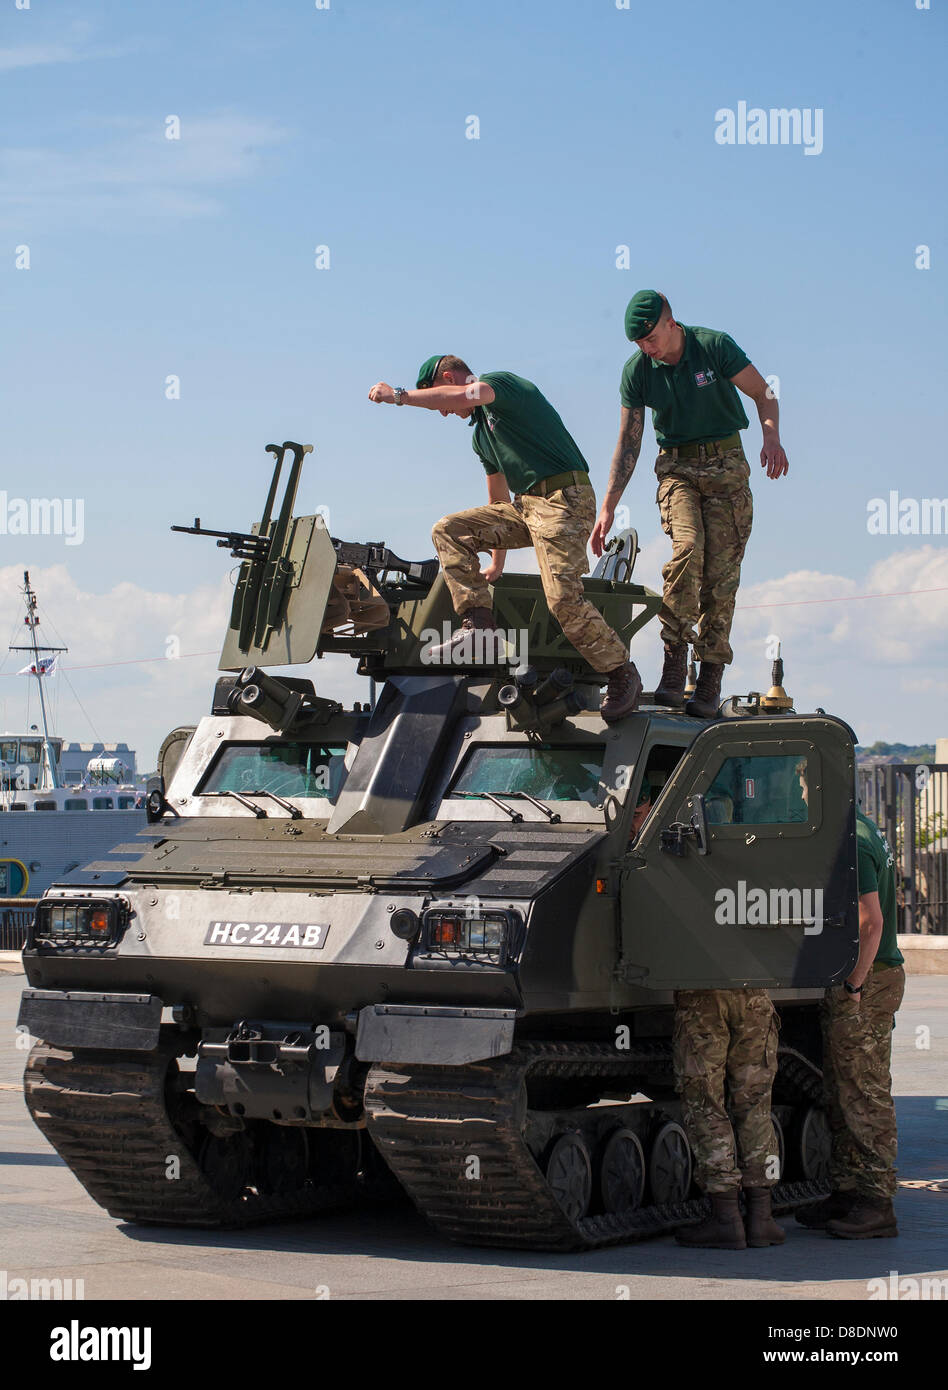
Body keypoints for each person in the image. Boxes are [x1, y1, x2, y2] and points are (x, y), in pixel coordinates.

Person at [368, 356, 643, 721]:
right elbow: (497, 502)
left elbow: (469, 393)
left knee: (562, 599)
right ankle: (479, 625)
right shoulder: (482, 437)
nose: (445, 414)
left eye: (441, 401)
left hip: (564, 500)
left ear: (447, 378)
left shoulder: (501, 386)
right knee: (449, 529)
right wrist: (496, 562)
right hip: (525, 507)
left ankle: (622, 673)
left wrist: (399, 396)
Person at [590, 290, 789, 718]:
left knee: (722, 575)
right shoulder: (638, 371)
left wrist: (770, 436)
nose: (648, 348)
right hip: (677, 470)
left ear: (670, 323)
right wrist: (608, 505)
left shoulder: (713, 346)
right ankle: (675, 658)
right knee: (687, 549)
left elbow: (763, 393)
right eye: (639, 343)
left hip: (727, 466)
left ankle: (711, 674)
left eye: (651, 338)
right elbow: (629, 440)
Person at [796, 762, 906, 1239]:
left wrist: (855, 986)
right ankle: (848, 1191)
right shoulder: (858, 826)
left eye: (803, 780)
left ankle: (877, 1202)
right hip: (862, 977)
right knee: (842, 1088)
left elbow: (870, 922)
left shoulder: (852, 841)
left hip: (869, 978)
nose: (800, 790)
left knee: (865, 1091)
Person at [673, 988, 784, 1249]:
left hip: (702, 992)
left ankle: (726, 1216)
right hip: (753, 991)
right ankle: (761, 1217)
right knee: (755, 1103)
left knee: (705, 1102)